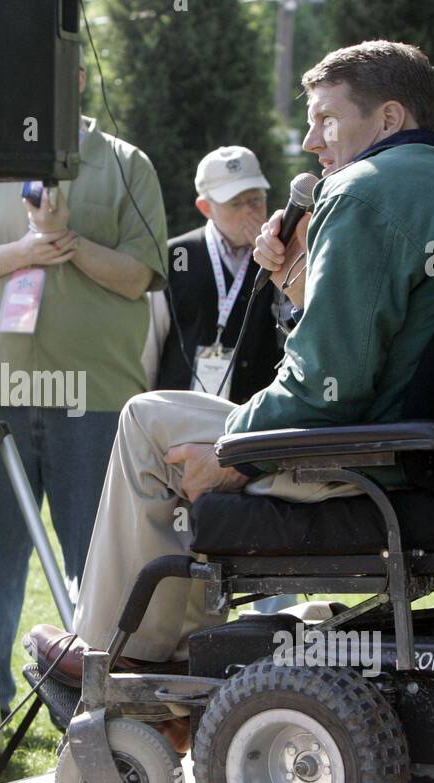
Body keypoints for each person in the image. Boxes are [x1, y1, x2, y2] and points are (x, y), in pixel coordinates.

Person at [26, 41, 434, 748]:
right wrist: (297, 284)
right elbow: (393, 339)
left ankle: (121, 662)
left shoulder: (363, 190)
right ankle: (175, 659)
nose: (310, 141)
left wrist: (233, 456)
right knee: (161, 416)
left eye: (324, 120)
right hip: (431, 446)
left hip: (369, 457)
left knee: (147, 419)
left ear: (390, 115)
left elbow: (324, 389)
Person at [0, 56, 168, 714]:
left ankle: (106, 713)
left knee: (98, 571)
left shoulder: (126, 162)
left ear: (80, 79)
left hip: (92, 399)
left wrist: (61, 239)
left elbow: (139, 277)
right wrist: (17, 255)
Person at [158, 146, 299, 615]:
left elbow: (298, 336)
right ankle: (188, 641)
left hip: (256, 431)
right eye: (236, 202)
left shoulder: (282, 256)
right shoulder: (176, 257)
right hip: (182, 430)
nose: (250, 212)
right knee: (182, 545)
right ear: (205, 207)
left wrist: (288, 273)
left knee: (269, 547)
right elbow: (149, 346)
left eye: (256, 199)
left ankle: (281, 645)